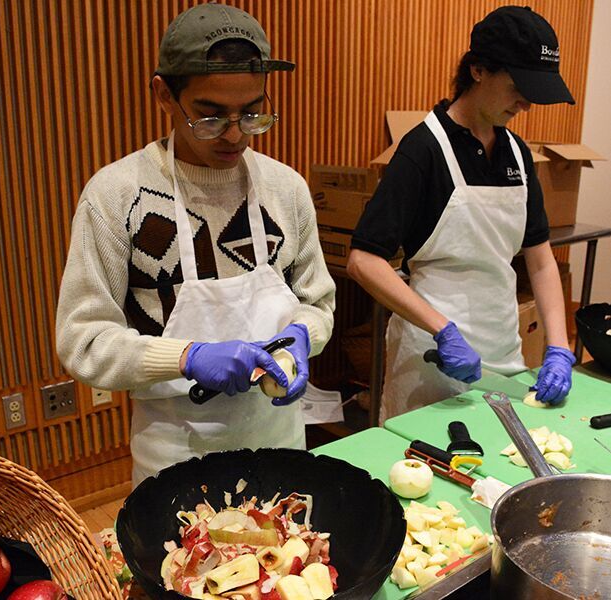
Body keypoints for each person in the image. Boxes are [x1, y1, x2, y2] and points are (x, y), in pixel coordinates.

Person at [56, 3, 335, 486]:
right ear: (164, 94)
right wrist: (185, 358)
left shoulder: (285, 189)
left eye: (251, 115)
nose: (234, 135)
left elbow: (318, 302)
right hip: (175, 454)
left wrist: (298, 342)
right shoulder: (117, 195)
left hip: (280, 441)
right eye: (209, 117)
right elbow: (85, 341)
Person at [348, 6, 576, 422]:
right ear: (478, 70)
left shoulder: (517, 154)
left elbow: (540, 259)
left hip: (503, 350)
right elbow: (363, 260)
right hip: (432, 358)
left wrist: (558, 345)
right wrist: (443, 329)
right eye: (517, 87)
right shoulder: (423, 150)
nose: (525, 103)